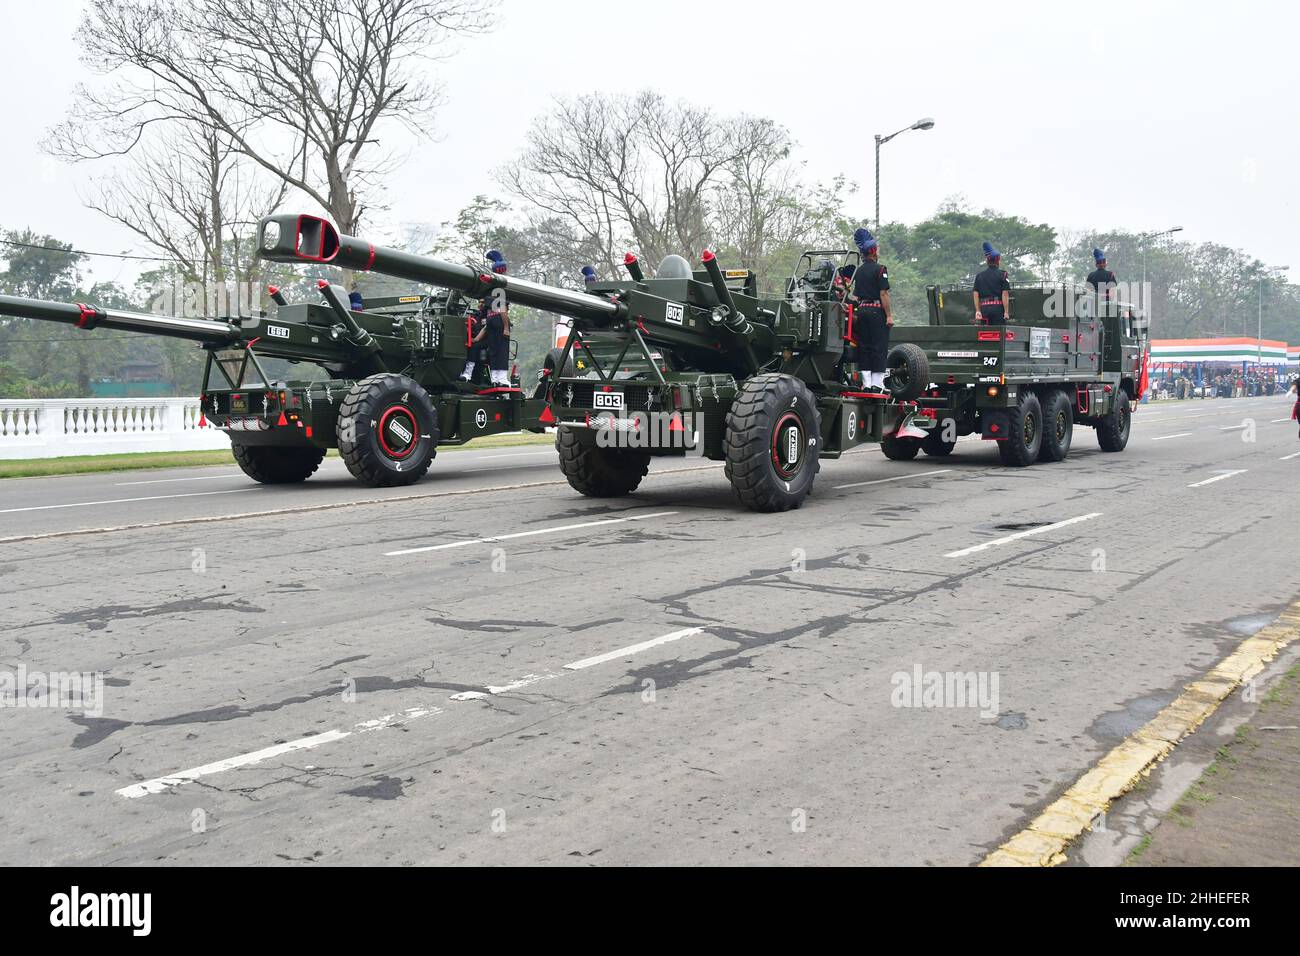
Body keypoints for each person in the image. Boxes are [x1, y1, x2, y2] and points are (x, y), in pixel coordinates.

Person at [848, 228, 893, 393]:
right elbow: (883, 293)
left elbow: (855, 297)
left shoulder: (859, 272)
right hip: (875, 312)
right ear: (873, 252)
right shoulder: (880, 269)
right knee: (878, 347)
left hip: (862, 312)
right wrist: (888, 315)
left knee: (864, 347)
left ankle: (866, 385)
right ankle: (877, 385)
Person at [973, 242, 1011, 325]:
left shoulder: (979, 276)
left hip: (984, 309)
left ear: (987, 260)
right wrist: (1006, 312)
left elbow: (976, 294)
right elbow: (1005, 294)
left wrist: (978, 311)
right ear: (998, 260)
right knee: (998, 334)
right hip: (998, 309)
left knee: (985, 334)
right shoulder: (1003, 274)